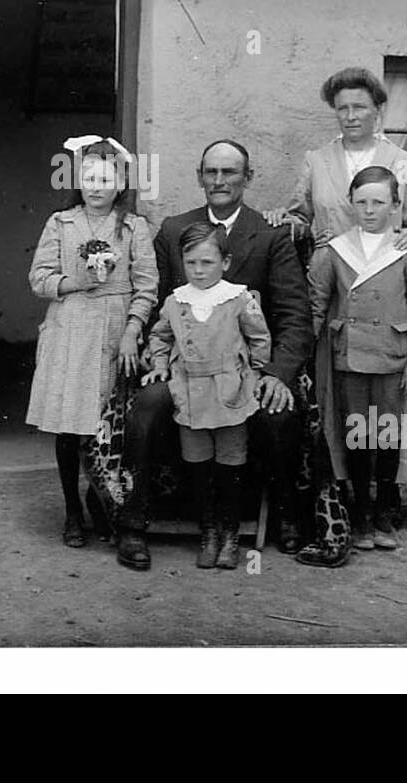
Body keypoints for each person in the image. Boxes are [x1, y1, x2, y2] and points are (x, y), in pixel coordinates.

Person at [264, 67, 407, 563]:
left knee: (387, 413)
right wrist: (291, 225)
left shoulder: (403, 161)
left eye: (360, 108)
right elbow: (299, 217)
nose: (351, 117)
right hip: (337, 298)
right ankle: (347, 501)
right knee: (341, 409)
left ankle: (386, 501)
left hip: (389, 294)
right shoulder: (317, 161)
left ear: (378, 110)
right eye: (342, 109)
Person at [115, 139, 312, 571]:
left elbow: (294, 316)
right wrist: (158, 360)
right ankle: (133, 523)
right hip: (186, 368)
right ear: (200, 176)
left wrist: (275, 373)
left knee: (279, 415)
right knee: (146, 406)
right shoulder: (172, 230)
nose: (219, 181)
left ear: (248, 178)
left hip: (243, 372)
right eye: (211, 172)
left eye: (230, 172)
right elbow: (160, 305)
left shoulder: (270, 233)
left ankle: (286, 515)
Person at [26, 137, 158, 548]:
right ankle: (71, 511)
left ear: (120, 184)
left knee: (107, 423)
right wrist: (73, 282)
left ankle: (100, 499)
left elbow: (147, 286)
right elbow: (38, 278)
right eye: (88, 178)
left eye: (105, 178)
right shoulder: (60, 224)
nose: (96, 186)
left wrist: (133, 331)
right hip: (71, 326)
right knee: (69, 424)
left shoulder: (134, 227)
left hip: (115, 330)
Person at [306, 166, 407, 551]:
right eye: (361, 202)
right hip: (351, 356)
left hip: (392, 355)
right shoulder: (336, 249)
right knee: (358, 436)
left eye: (378, 202)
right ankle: (361, 513)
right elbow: (317, 305)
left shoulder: (406, 251)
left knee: (388, 435)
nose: (369, 210)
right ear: (351, 205)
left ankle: (383, 513)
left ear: (395, 206)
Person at [143, 221, 272, 570]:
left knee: (229, 465)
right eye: (191, 263)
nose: (199, 271)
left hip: (230, 393)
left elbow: (259, 338)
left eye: (207, 263)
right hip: (190, 395)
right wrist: (159, 363)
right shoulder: (176, 301)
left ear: (225, 263)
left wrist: (257, 372)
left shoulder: (238, 298)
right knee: (198, 465)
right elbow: (161, 336)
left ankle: (230, 534)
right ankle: (208, 531)